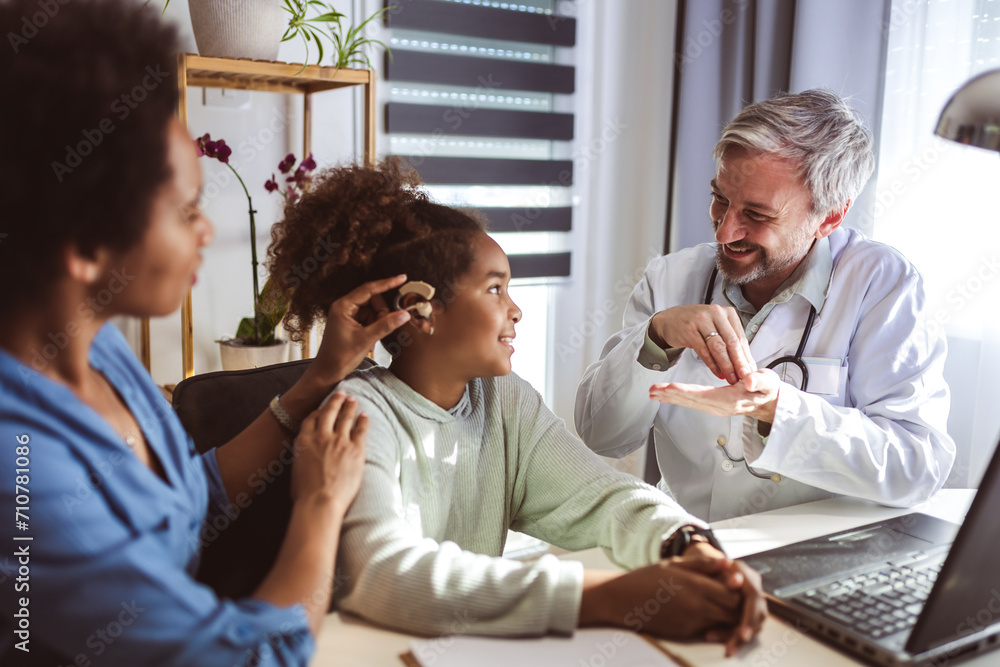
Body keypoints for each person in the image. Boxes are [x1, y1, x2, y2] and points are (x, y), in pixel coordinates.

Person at [0, 1, 411, 664]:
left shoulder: (95, 344)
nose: (207, 231)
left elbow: (188, 499)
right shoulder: (25, 474)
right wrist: (321, 503)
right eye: (186, 209)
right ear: (86, 246)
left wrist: (316, 380)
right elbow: (249, 657)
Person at [265, 158, 767, 655]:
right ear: (419, 308)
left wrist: (684, 542)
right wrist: (606, 598)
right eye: (495, 289)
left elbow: (603, 497)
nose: (516, 309)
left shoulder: (502, 400)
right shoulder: (357, 415)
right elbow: (387, 576)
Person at [575, 89, 956, 522]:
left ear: (829, 217)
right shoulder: (670, 279)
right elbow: (601, 436)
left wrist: (778, 409)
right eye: (720, 198)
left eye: (756, 215)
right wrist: (655, 340)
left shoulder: (883, 286)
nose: (724, 232)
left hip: (815, 555)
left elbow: (917, 468)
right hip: (691, 548)